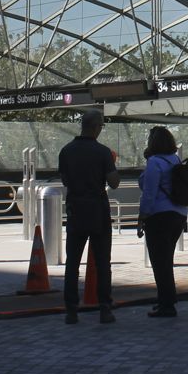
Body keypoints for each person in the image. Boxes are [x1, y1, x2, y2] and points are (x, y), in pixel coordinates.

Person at [58, 108, 120, 325]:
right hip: (98, 211)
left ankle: (71, 311)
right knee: (103, 262)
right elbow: (113, 182)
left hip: (75, 210)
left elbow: (65, 181)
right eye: (101, 126)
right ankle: (105, 309)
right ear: (95, 127)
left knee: (72, 263)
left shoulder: (66, 151)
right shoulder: (103, 152)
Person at [137, 126, 188, 318]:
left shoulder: (154, 162)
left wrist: (142, 217)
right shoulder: (174, 160)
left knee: (160, 262)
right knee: (166, 260)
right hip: (178, 214)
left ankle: (166, 304)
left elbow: (149, 193)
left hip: (159, 216)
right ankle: (166, 300)